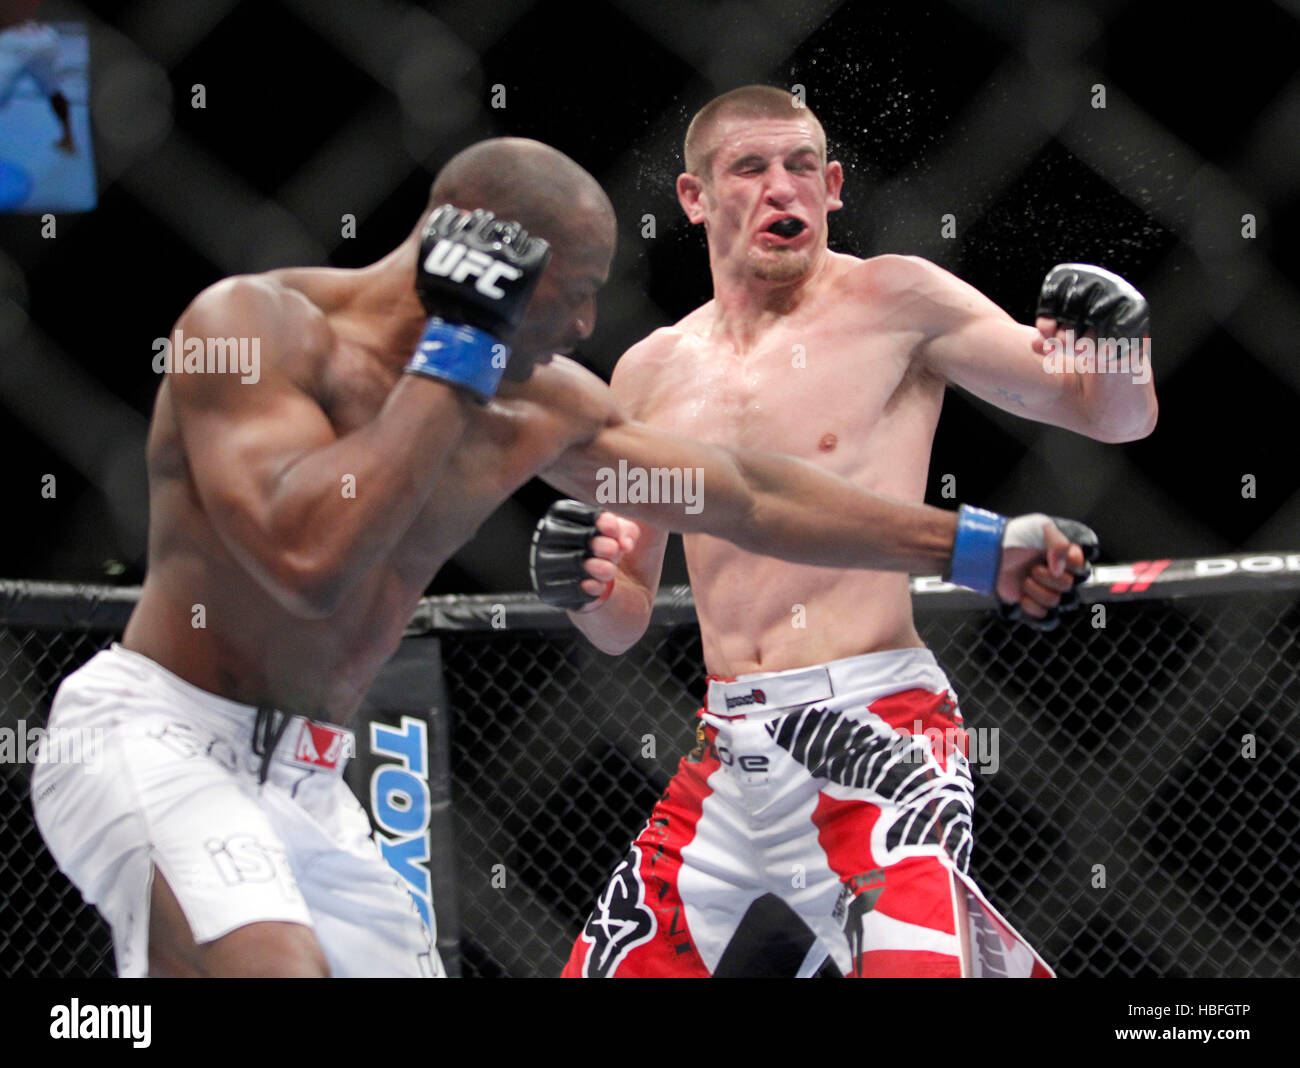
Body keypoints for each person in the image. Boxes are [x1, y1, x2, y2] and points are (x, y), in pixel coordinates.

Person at [31, 136, 1090, 978]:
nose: (583, 322)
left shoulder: (534, 404)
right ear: (478, 262)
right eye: (568, 289)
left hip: (309, 782)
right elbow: (310, 556)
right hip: (161, 733)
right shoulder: (256, 330)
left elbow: (747, 495)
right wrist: (452, 357)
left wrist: (972, 544)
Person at [537, 86, 1154, 978]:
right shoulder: (651, 372)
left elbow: (1107, 415)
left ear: (832, 188)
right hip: (725, 757)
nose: (780, 188)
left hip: (881, 734)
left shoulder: (894, 300)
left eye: (801, 169)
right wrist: (584, 585)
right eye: (750, 168)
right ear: (695, 198)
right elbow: (624, 614)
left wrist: (1117, 349)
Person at [0, 3, 76, 153]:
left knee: (53, 90)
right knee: (53, 89)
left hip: (19, 40)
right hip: (41, 37)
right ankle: (68, 138)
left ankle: (68, 139)